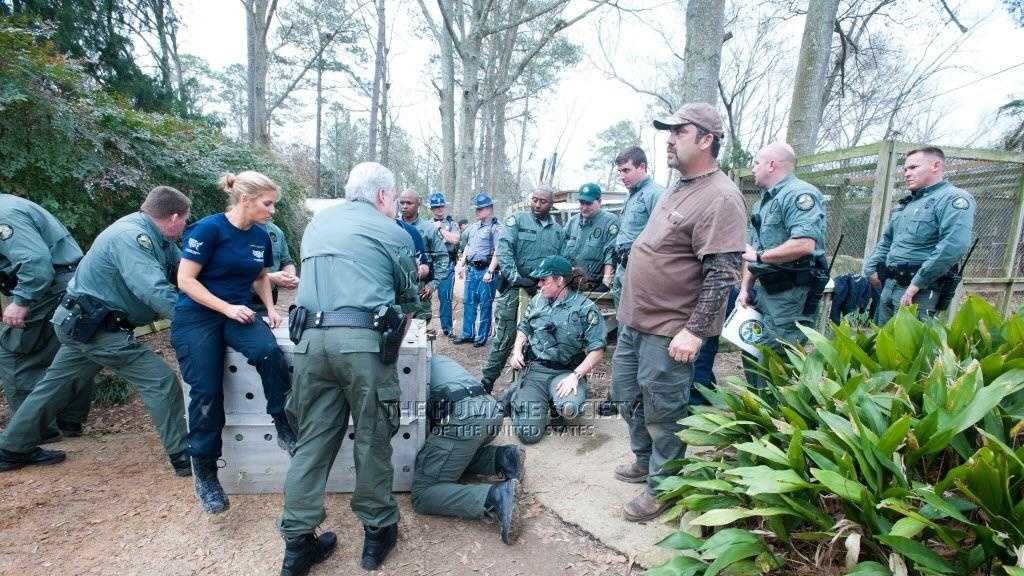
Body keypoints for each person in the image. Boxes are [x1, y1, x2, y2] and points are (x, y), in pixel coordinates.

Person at [277, 162, 418, 575]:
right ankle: (377, 535)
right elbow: (408, 296)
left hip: (309, 345)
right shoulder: (392, 231)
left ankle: (297, 544)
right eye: (393, 199)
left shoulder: (317, 223)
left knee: (313, 441)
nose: (395, 206)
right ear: (381, 196)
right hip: (361, 346)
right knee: (373, 437)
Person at [612, 103, 745, 522]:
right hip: (635, 321)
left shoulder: (720, 196)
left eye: (679, 132)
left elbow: (723, 273)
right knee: (626, 395)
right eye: (669, 132)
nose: (669, 140)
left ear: (706, 140)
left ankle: (664, 485)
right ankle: (644, 460)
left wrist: (694, 332)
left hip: (668, 329)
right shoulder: (677, 186)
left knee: (664, 410)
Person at [0, 186, 192, 476]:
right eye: (186, 220)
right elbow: (151, 289)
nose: (186, 226)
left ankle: (11, 449)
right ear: (175, 217)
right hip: (97, 329)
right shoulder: (131, 237)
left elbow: (183, 270)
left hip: (83, 325)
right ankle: (183, 456)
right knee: (161, 381)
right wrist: (195, 322)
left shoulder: (157, 236)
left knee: (54, 386)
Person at [172, 171, 296, 515]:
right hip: (199, 315)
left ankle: (282, 422)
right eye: (267, 204)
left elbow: (259, 276)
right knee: (206, 392)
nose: (272, 211)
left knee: (269, 352)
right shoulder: (208, 230)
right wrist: (226, 307)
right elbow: (185, 280)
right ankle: (206, 475)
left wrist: (271, 308)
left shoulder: (261, 236)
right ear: (245, 199)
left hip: (239, 312)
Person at [0, 193, 94, 439]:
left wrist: (21, 301)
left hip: (48, 288)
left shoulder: (4, 215)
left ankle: (34, 432)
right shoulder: (10, 205)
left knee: (14, 353)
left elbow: (35, 263)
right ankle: (68, 421)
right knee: (66, 353)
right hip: (67, 285)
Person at [412, 354, 525, 545]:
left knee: (423, 494)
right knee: (450, 454)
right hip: (490, 411)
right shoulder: (431, 356)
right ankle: (503, 457)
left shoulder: (403, 361)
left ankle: (496, 496)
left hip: (465, 420)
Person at [863, 146, 976, 325]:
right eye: (905, 169)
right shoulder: (907, 204)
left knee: (909, 350)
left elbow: (953, 246)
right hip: (890, 285)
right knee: (881, 344)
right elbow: (887, 241)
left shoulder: (953, 199)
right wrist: (870, 269)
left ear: (936, 166)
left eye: (913, 167)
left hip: (920, 291)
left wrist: (916, 283)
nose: (907, 173)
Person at [738, 142, 828, 353]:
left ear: (771, 165)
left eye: (756, 163)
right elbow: (752, 253)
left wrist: (760, 257)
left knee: (777, 358)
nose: (753, 169)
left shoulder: (800, 194)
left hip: (789, 295)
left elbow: (804, 244)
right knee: (752, 353)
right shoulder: (762, 203)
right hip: (764, 291)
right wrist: (745, 289)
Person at [508, 256, 606, 444]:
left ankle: (555, 407)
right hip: (536, 370)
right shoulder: (537, 301)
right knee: (529, 435)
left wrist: (575, 376)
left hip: (566, 372)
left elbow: (597, 349)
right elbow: (524, 328)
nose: (539, 284)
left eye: (544, 280)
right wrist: (517, 351)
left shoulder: (585, 308)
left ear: (560, 280)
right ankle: (516, 396)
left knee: (570, 407)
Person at [480, 186, 564, 391]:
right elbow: (504, 249)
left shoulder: (558, 231)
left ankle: (528, 386)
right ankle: (487, 381)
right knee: (505, 336)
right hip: (514, 289)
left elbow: (560, 260)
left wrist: (549, 285)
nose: (537, 204)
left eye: (542, 201)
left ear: (551, 204)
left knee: (540, 338)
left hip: (543, 293)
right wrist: (516, 278)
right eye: (534, 199)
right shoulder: (517, 220)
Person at [611, 147, 665, 308]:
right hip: (623, 266)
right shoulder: (632, 195)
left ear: (642, 167)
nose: (622, 176)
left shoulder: (656, 194)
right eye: (619, 171)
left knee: (635, 320)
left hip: (641, 270)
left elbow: (663, 235)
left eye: (626, 170)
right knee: (622, 319)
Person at [454, 193, 501, 348]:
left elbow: (498, 251)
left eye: (480, 209)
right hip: (472, 269)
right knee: (468, 302)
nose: (477, 212)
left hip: (485, 270)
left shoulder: (495, 228)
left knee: (485, 305)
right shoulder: (473, 228)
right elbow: (468, 247)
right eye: (476, 209)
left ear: (489, 209)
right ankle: (468, 334)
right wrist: (461, 264)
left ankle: (481, 337)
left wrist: (490, 271)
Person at [399, 190, 451, 324]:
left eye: (408, 203)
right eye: (402, 203)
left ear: (418, 204)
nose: (404, 206)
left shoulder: (428, 229)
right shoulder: (393, 225)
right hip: (396, 291)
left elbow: (443, 257)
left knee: (418, 334)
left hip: (420, 290)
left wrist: (433, 284)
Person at [561, 183, 619, 291]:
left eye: (588, 203)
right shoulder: (573, 222)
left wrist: (606, 283)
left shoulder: (610, 222)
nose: (584, 207)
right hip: (569, 283)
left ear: (600, 202)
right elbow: (562, 249)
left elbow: (611, 254)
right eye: (582, 203)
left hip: (592, 284)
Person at [429, 192, 461, 337]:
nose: (439, 209)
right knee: (423, 297)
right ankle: (421, 326)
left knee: (445, 298)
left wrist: (440, 229)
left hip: (447, 264)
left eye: (441, 206)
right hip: (430, 264)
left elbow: (455, 240)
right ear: (431, 209)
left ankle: (447, 329)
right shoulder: (426, 224)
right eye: (436, 207)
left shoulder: (451, 224)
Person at [251, 220, 299, 313]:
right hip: (238, 301)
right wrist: (270, 277)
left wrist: (290, 277)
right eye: (267, 204)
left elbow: (286, 261)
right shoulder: (236, 228)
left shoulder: (276, 231)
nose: (273, 210)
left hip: (266, 304)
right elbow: (232, 268)